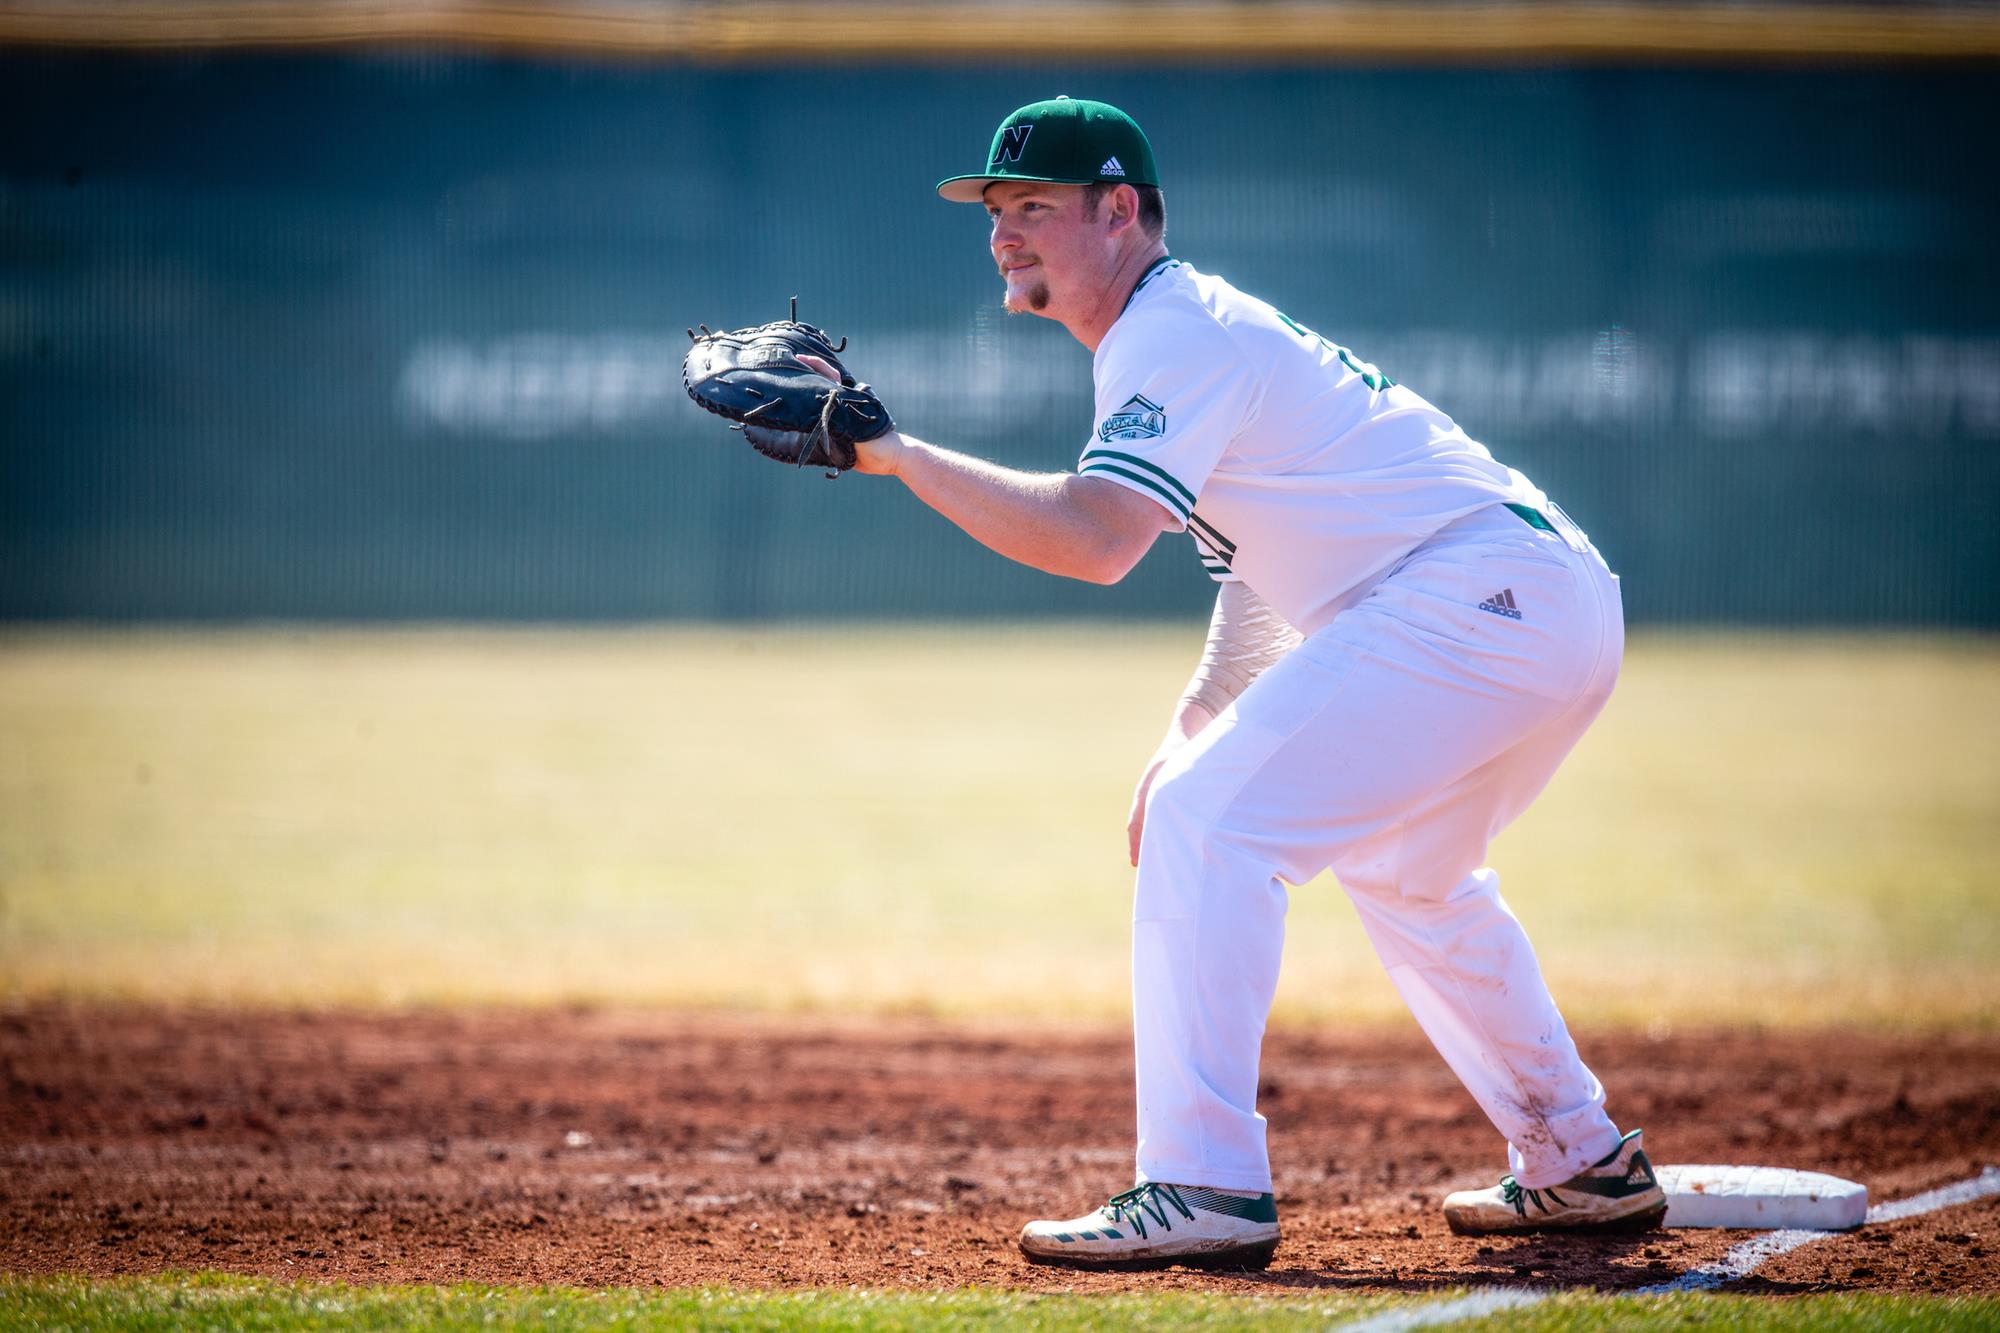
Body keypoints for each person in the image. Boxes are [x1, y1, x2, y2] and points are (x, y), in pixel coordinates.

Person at [838, 96, 1665, 1271]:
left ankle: (1202, 1182)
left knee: (1210, 824)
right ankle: (1579, 1157)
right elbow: (1262, 585)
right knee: (1406, 870)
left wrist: (896, 455)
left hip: (1477, 597)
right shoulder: (1181, 329)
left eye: (1032, 206)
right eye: (992, 210)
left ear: (1118, 209)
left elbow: (1096, 539)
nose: (1001, 234)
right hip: (1537, 600)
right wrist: (1185, 730)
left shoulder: (1169, 331)